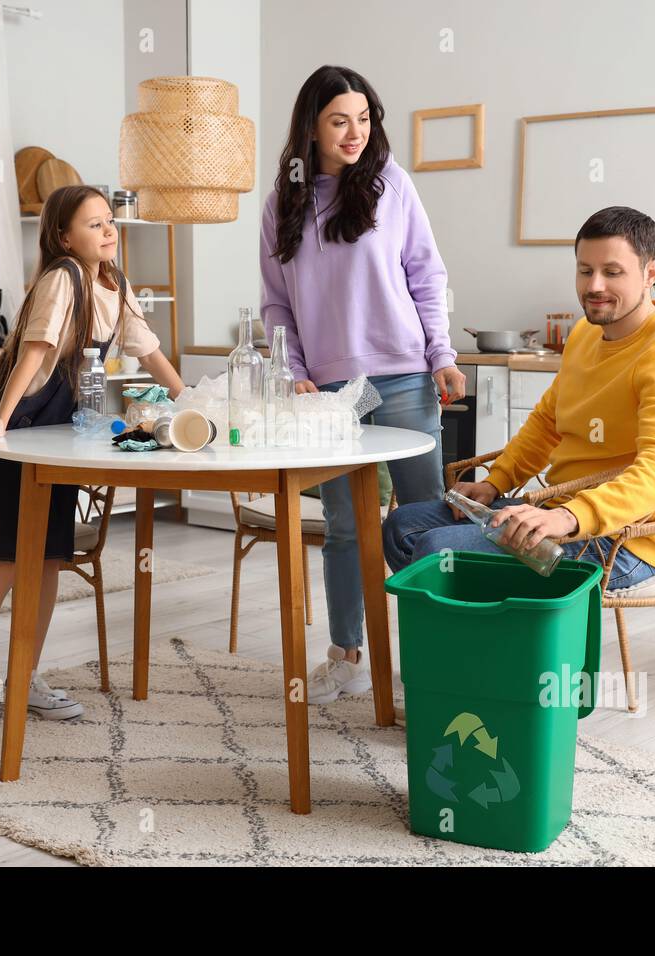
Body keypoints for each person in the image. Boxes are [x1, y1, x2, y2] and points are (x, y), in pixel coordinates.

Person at [0, 184, 184, 744]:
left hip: (53, 437)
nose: (107, 230)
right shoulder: (61, 278)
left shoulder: (114, 285)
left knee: (45, 564)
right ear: (64, 236)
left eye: (108, 221)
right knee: (7, 564)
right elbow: (35, 352)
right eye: (92, 224)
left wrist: (191, 404)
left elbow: (148, 351)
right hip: (17, 427)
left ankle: (25, 679)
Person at [260, 64, 466, 705]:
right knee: (347, 527)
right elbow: (276, 305)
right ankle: (346, 655)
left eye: (364, 118)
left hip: (404, 376)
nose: (355, 132)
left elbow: (426, 275)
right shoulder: (283, 203)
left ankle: (435, 658)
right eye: (338, 120)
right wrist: (293, 374)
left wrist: (443, 356)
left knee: (424, 523)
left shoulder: (390, 186)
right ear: (311, 128)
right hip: (328, 394)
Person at [383, 206, 655, 590]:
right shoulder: (585, 334)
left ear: (650, 274)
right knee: (402, 525)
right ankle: (496, 635)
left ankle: (487, 641)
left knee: (435, 549)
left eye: (612, 272)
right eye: (584, 270)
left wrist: (569, 517)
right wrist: (496, 483)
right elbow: (547, 423)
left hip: (623, 540)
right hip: (557, 511)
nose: (594, 286)